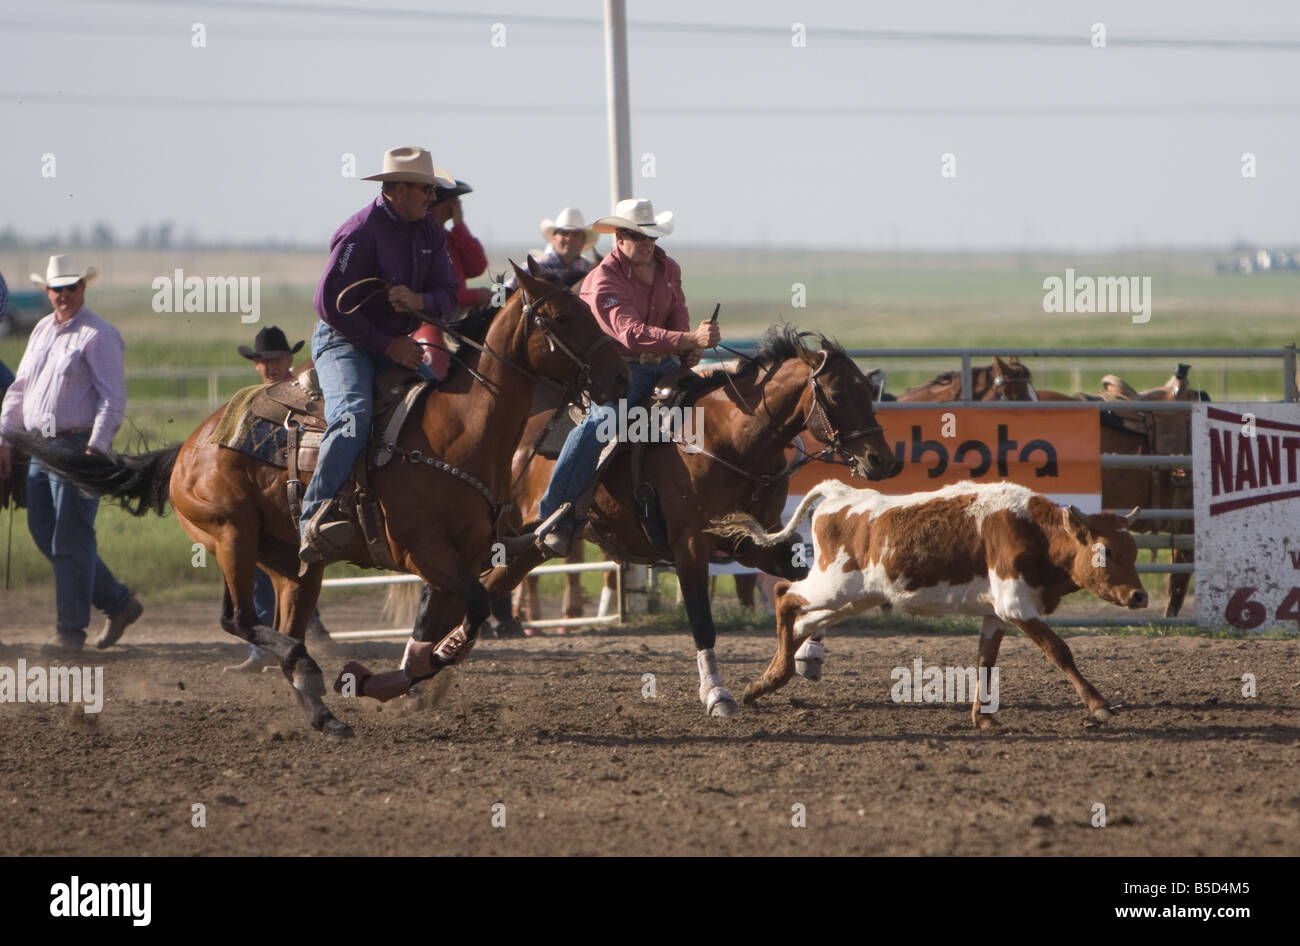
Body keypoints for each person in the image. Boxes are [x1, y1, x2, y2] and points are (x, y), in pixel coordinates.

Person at [298, 146, 459, 565]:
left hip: (397, 346)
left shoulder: (430, 233)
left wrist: (417, 298)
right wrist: (390, 346)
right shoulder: (360, 232)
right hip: (344, 343)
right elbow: (329, 305)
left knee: (447, 403)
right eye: (425, 189)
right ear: (397, 189)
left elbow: (448, 295)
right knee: (352, 416)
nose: (431, 198)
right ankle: (313, 517)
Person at [535, 198, 720, 557]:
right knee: (603, 423)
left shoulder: (669, 268)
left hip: (666, 364)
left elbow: (678, 313)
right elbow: (630, 334)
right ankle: (555, 513)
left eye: (651, 235)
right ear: (619, 238)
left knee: (711, 410)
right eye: (637, 236)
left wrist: (688, 348)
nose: (647, 242)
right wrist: (687, 340)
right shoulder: (602, 280)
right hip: (621, 369)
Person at [0, 255, 142, 654]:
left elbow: (112, 399)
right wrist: (5, 440)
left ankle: (70, 633)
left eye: (71, 288)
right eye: (57, 289)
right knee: (46, 535)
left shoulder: (99, 335)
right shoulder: (42, 330)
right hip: (38, 446)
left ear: (83, 288)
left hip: (77, 447)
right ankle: (117, 602)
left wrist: (95, 447)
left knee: (71, 538)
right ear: (46, 292)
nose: (64, 295)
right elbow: (18, 390)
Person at [226, 326, 331, 672]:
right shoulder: (258, 399)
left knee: (289, 567)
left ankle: (299, 637)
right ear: (256, 364)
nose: (269, 366)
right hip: (268, 499)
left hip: (295, 493)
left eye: (275, 359)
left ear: (288, 359)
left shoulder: (302, 392)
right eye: (263, 360)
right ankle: (274, 648)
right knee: (266, 571)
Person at [411, 172, 491, 379]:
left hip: (453, 312)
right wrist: (474, 297)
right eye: (454, 200)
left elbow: (477, 266)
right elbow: (430, 291)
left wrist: (460, 226)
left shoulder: (448, 238)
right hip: (432, 316)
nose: (458, 205)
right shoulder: (421, 240)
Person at [503, 207, 600, 290]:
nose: (569, 238)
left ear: (583, 241)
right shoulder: (533, 267)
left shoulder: (591, 270)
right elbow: (504, 291)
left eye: (575, 234)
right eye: (564, 233)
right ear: (554, 238)